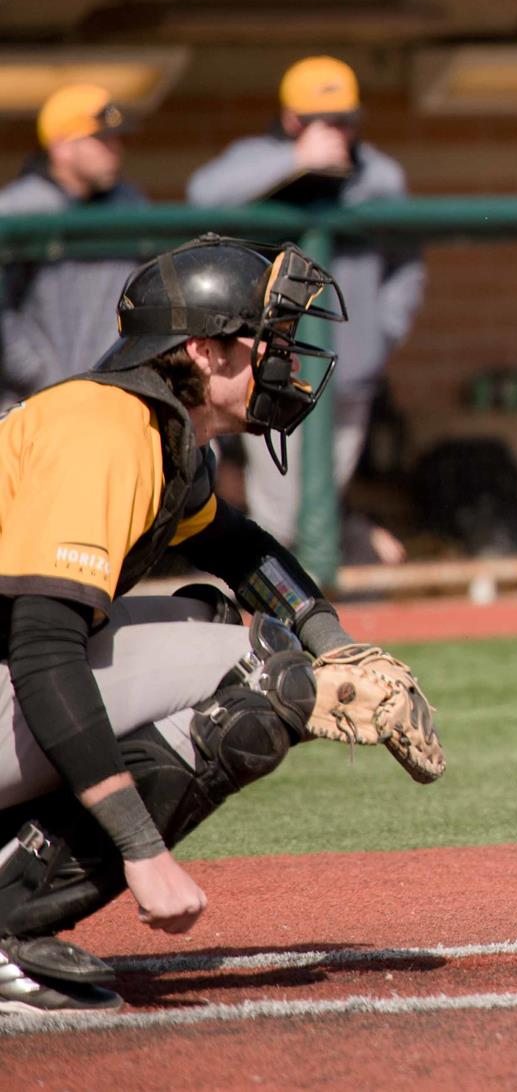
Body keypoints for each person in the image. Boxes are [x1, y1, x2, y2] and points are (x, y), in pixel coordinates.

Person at [0, 236, 442, 1016]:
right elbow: (42, 648)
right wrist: (142, 849)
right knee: (260, 680)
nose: (284, 354)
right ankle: (10, 917)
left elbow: (237, 550)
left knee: (217, 621)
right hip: (16, 667)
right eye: (263, 338)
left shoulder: (149, 427)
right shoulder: (103, 431)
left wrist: (336, 645)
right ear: (203, 351)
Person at [188, 58, 424, 556]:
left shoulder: (379, 174)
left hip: (350, 370)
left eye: (347, 119)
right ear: (294, 120)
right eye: (326, 120)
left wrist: (381, 336)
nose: (341, 131)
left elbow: (407, 266)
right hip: (271, 367)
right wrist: (295, 161)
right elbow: (202, 196)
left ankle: (336, 583)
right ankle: (283, 620)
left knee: (319, 505)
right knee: (284, 517)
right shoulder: (258, 157)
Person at [0, 85, 149, 405]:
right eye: (101, 140)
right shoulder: (17, 209)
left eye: (116, 139)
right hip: (33, 404)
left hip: (114, 397)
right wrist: (36, 373)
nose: (115, 149)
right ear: (62, 147)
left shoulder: (131, 205)